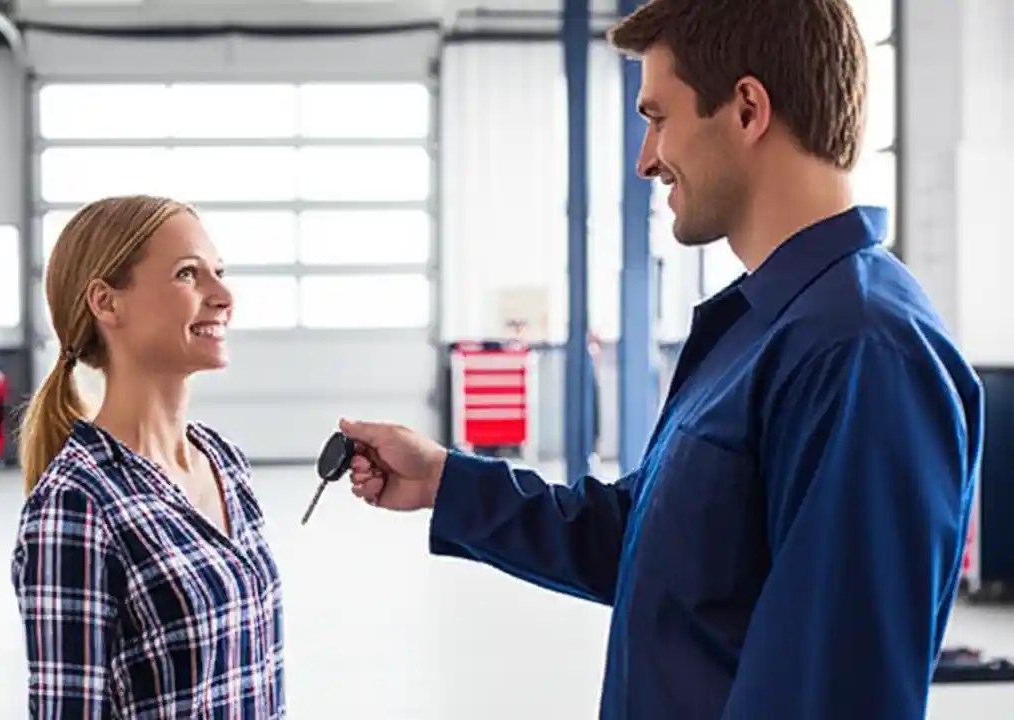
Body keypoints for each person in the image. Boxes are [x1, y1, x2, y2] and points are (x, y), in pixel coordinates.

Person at [342, 1, 984, 718]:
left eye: (657, 118)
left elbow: (828, 695)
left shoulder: (862, 354)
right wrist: (447, 481)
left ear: (747, 110)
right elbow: (656, 546)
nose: (645, 159)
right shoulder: (764, 326)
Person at [10, 195, 285, 718]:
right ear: (107, 303)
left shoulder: (224, 462)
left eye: (219, 272)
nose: (223, 295)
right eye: (188, 274)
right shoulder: (77, 505)